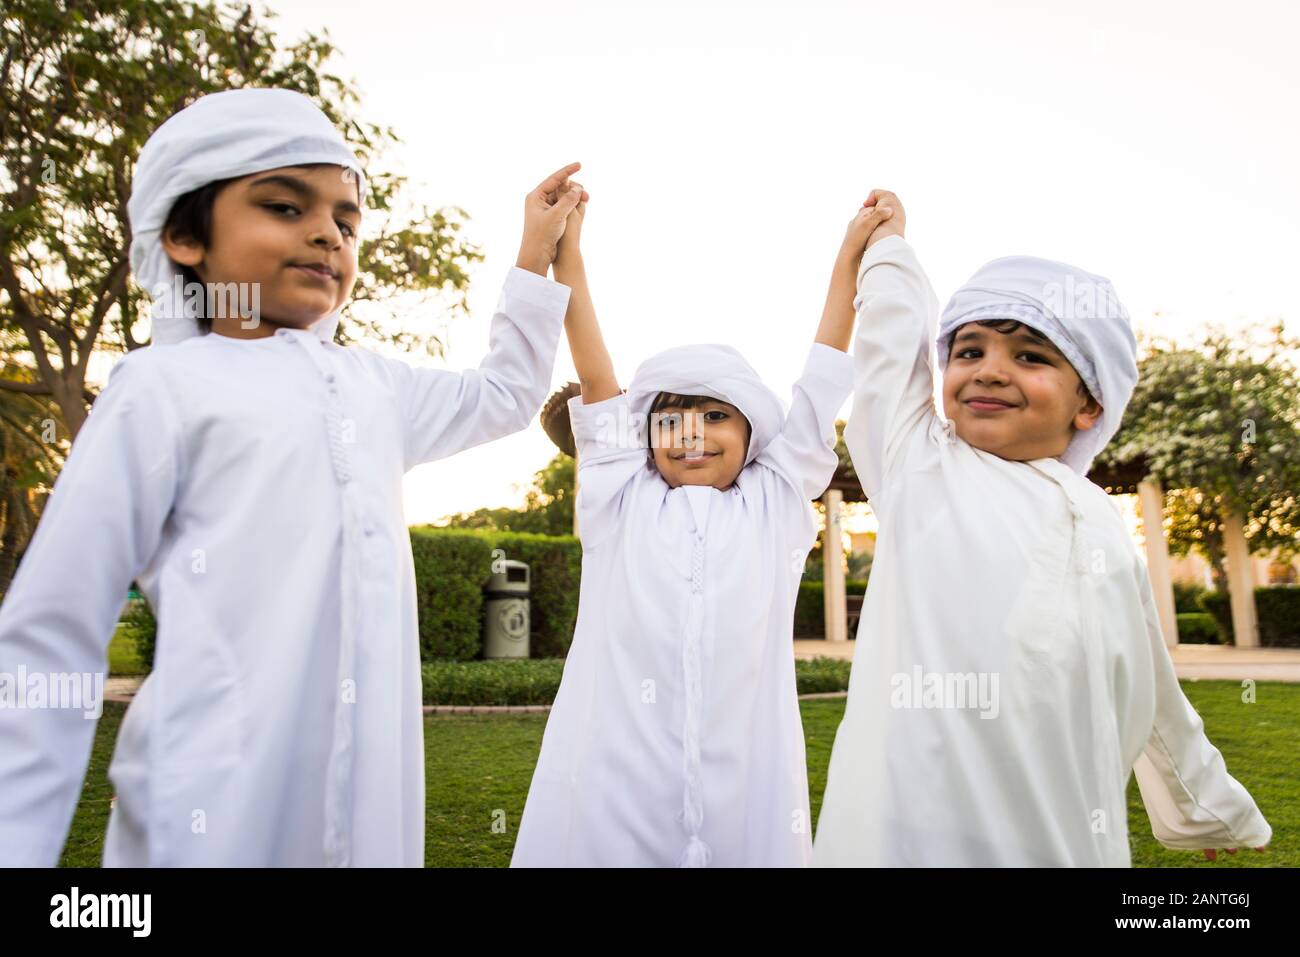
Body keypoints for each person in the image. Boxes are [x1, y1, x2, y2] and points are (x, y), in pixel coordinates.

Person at [0, 87, 582, 866]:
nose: (325, 235)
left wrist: (531, 259)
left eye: (346, 221)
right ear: (182, 233)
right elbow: (51, 639)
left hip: (374, 824)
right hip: (208, 821)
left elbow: (504, 396)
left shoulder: (375, 387)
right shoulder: (161, 389)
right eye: (282, 206)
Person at [813, 190, 1272, 866]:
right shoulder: (918, 467)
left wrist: (1208, 807)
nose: (989, 369)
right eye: (967, 351)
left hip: (1055, 829)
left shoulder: (1102, 526)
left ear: (1089, 401)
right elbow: (888, 343)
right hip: (908, 829)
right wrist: (887, 249)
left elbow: (1151, 686)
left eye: (1031, 356)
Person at [510, 192, 882, 866]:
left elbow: (826, 370)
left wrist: (852, 254)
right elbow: (598, 375)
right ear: (641, 435)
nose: (690, 434)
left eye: (715, 415)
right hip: (616, 789)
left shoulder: (775, 500)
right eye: (671, 417)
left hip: (745, 792)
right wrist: (569, 255)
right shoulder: (618, 497)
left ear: (751, 432)